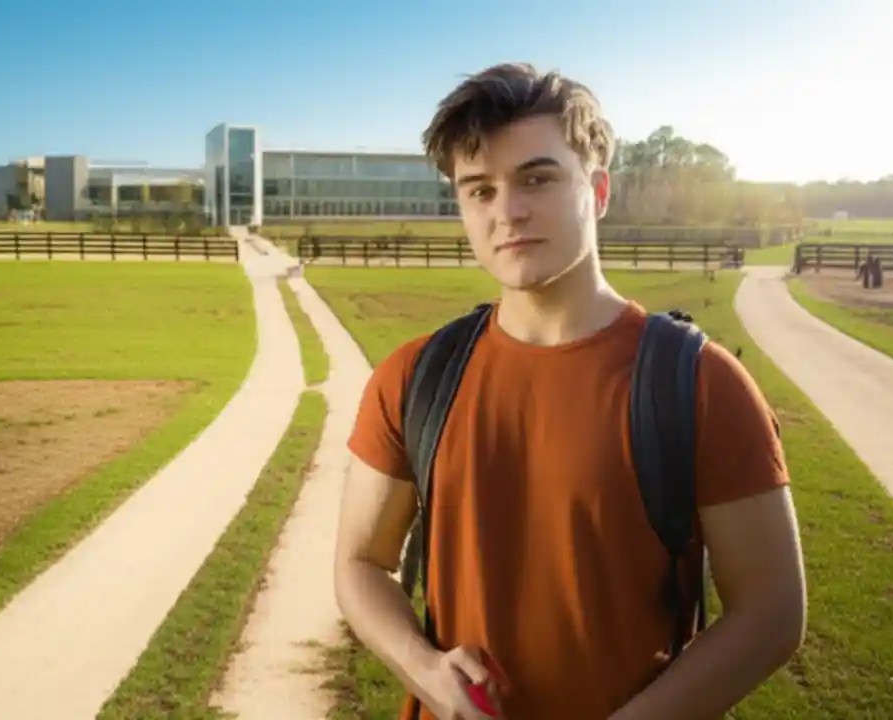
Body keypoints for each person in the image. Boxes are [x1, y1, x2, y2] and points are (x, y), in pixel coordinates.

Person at [333, 62, 807, 720]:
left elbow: (772, 613)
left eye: (538, 177)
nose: (508, 211)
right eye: (479, 190)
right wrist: (426, 671)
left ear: (600, 189)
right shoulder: (414, 377)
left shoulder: (701, 385)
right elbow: (359, 563)